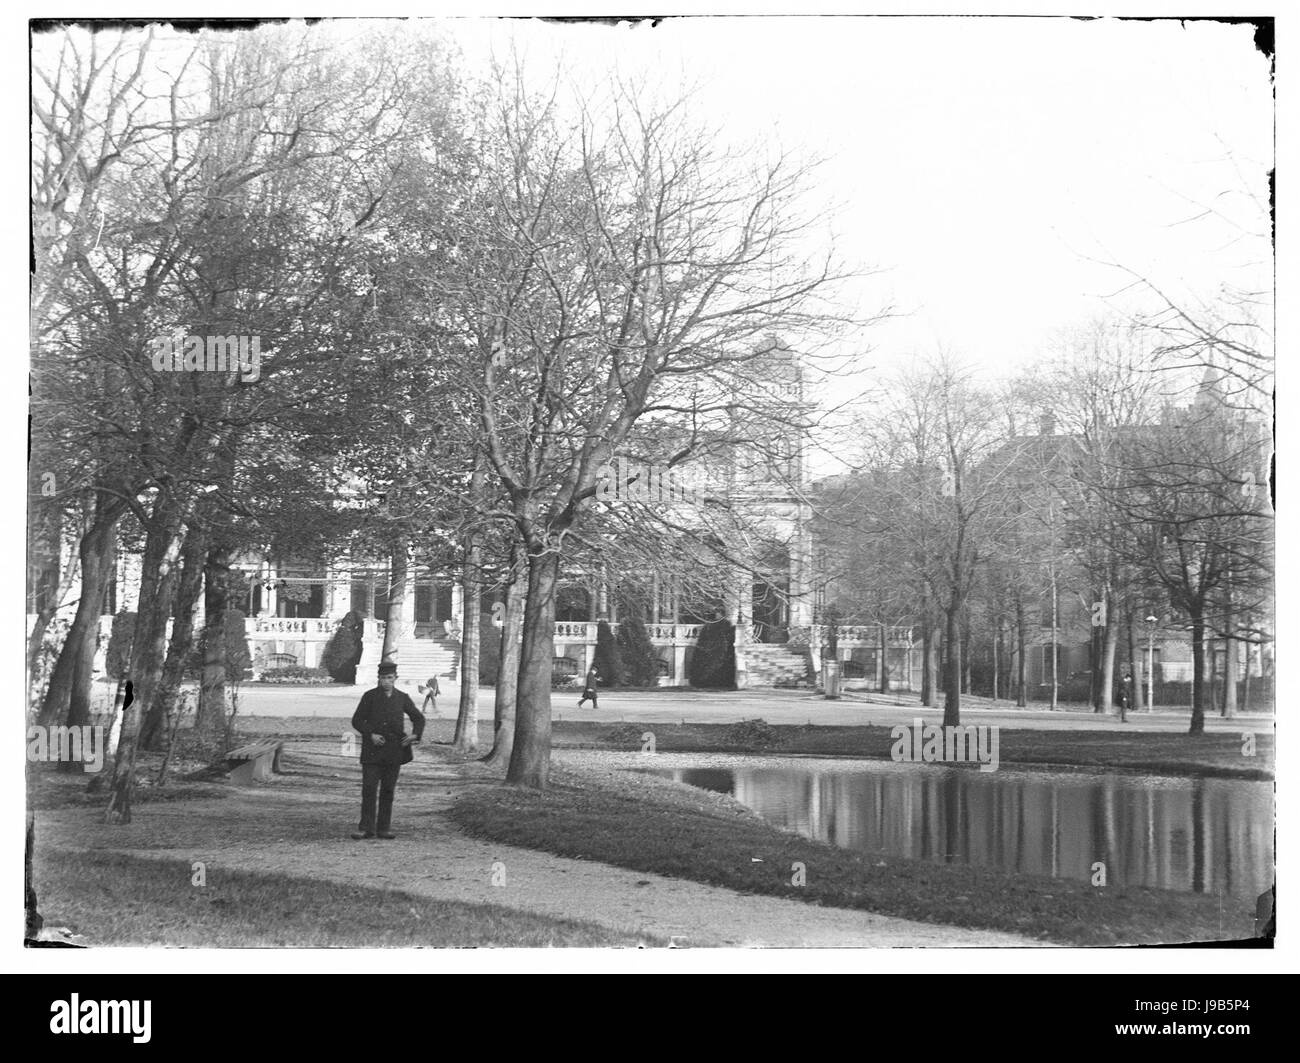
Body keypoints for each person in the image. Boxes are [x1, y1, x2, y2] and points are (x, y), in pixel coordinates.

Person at [350, 661, 424, 840]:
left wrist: (415, 735)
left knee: (388, 789)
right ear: (379, 679)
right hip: (372, 751)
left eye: (389, 678)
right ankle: (366, 828)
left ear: (395, 678)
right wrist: (371, 734)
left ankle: (384, 828)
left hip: (394, 751)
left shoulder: (402, 698)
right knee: (369, 788)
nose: (386, 682)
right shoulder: (369, 697)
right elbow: (357, 720)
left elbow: (418, 718)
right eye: (383, 678)